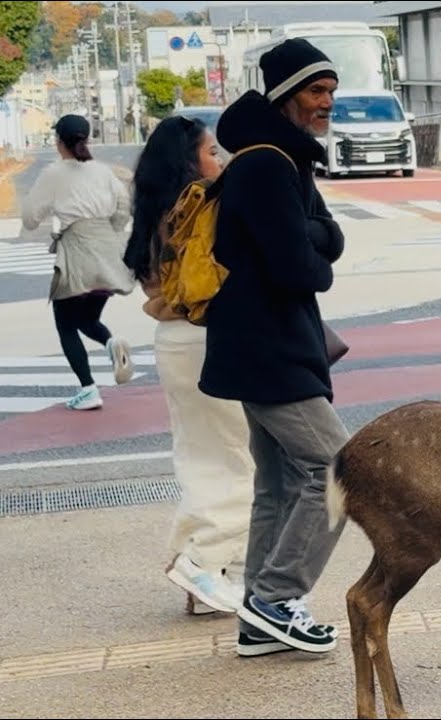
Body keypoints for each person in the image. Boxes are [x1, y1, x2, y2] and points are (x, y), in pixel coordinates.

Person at [199, 37, 349, 655]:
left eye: (331, 91)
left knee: (281, 483)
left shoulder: (283, 160)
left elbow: (327, 238)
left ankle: (258, 617)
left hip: (260, 345)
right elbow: (302, 268)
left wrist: (316, 240)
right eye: (317, 91)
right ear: (287, 95)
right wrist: (318, 250)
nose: (326, 103)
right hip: (270, 349)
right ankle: (277, 596)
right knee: (338, 469)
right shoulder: (266, 166)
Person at [121, 116, 256, 621]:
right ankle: (203, 562)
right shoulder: (201, 207)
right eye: (210, 152)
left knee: (199, 458)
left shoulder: (154, 211)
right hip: (207, 339)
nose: (217, 160)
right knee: (241, 461)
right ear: (189, 160)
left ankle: (199, 576)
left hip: (172, 343)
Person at [22, 114, 135, 411]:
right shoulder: (102, 171)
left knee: (65, 324)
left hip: (77, 255)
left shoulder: (54, 173)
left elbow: (30, 218)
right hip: (108, 253)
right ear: (87, 139)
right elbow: (123, 206)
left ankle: (88, 389)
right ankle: (112, 344)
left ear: (59, 142)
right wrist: (110, 228)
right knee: (86, 319)